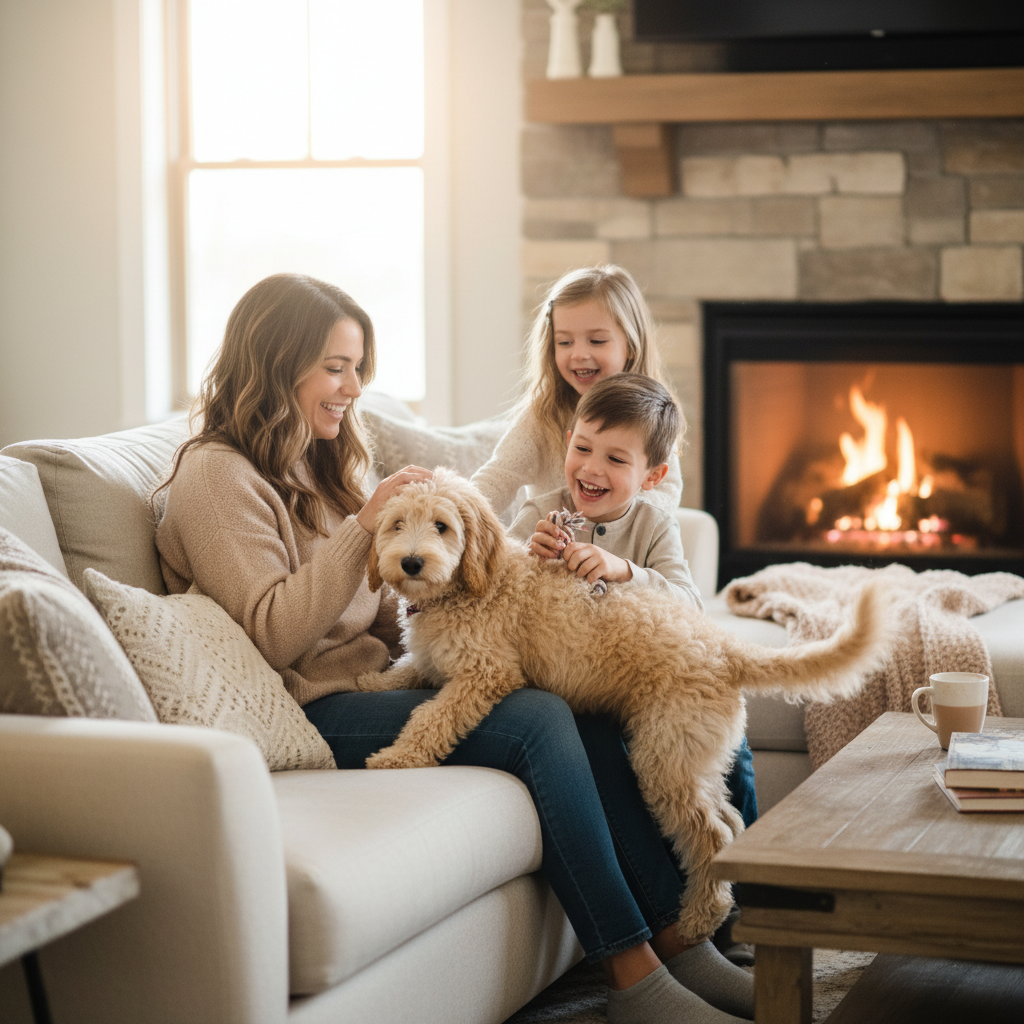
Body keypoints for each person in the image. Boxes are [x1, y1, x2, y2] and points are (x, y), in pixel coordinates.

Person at [155, 273, 754, 1024]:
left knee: (590, 705)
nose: (352, 389)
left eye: (357, 368)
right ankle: (633, 977)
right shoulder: (216, 475)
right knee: (536, 717)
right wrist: (362, 527)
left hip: (379, 680)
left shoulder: (320, 455)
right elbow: (275, 629)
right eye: (336, 368)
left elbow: (385, 603)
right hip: (310, 704)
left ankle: (682, 943)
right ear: (277, 363)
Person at [471, 264, 683, 523]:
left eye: (597, 341)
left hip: (621, 559)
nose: (579, 354)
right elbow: (498, 477)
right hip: (549, 555)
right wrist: (449, 505)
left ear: (631, 345)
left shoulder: (653, 418)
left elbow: (667, 491)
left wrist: (617, 525)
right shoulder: (543, 415)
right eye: (564, 342)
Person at [510, 372, 702, 611]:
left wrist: (625, 571)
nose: (591, 468)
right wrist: (527, 558)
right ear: (569, 443)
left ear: (652, 476)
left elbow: (692, 605)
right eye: (582, 448)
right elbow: (496, 582)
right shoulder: (538, 512)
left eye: (615, 459)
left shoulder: (656, 527)